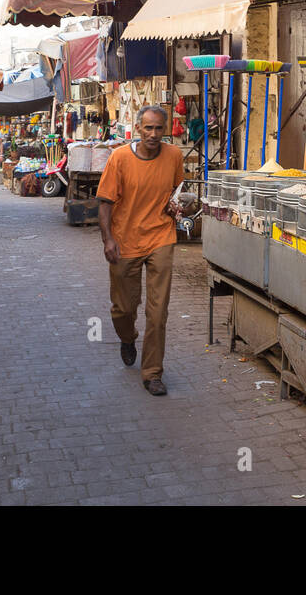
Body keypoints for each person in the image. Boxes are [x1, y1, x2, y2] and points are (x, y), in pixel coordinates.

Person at [97, 104, 184, 396]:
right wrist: (108, 240)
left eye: (159, 128)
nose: (153, 134)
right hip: (125, 241)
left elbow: (178, 194)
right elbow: (105, 203)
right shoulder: (119, 158)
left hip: (161, 237)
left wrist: (179, 207)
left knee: (157, 313)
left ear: (166, 129)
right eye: (148, 128)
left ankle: (152, 373)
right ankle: (127, 336)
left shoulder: (174, 156)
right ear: (138, 129)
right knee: (123, 308)